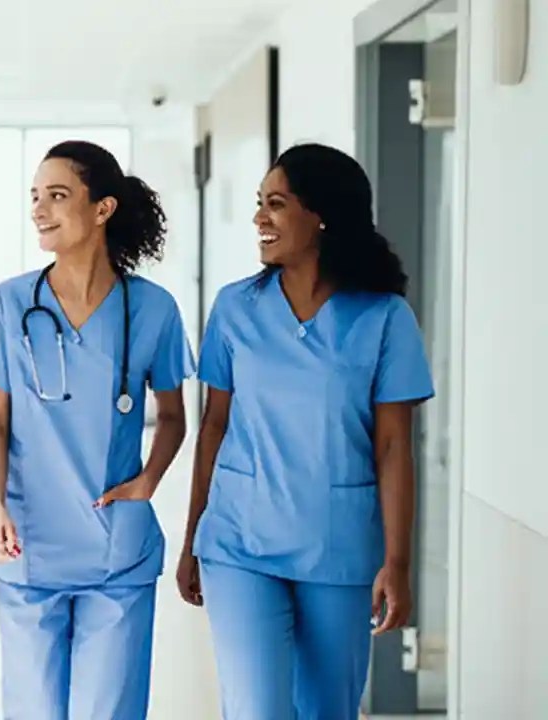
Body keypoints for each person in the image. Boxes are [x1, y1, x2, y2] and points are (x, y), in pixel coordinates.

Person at [177, 143, 435, 719]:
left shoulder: (383, 316)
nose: (259, 218)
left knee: (327, 710)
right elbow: (214, 426)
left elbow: (395, 446)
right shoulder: (236, 307)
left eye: (276, 204)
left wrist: (398, 562)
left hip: (338, 549)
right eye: (259, 203)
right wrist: (193, 536)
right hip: (240, 542)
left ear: (321, 215)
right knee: (257, 709)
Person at [0, 140, 194, 719]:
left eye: (57, 195)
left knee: (109, 711)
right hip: (30, 542)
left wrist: (149, 481)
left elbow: (174, 416)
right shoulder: (10, 304)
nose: (39, 209)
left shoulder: (153, 309)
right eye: (35, 196)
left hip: (117, 547)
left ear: (102, 208)